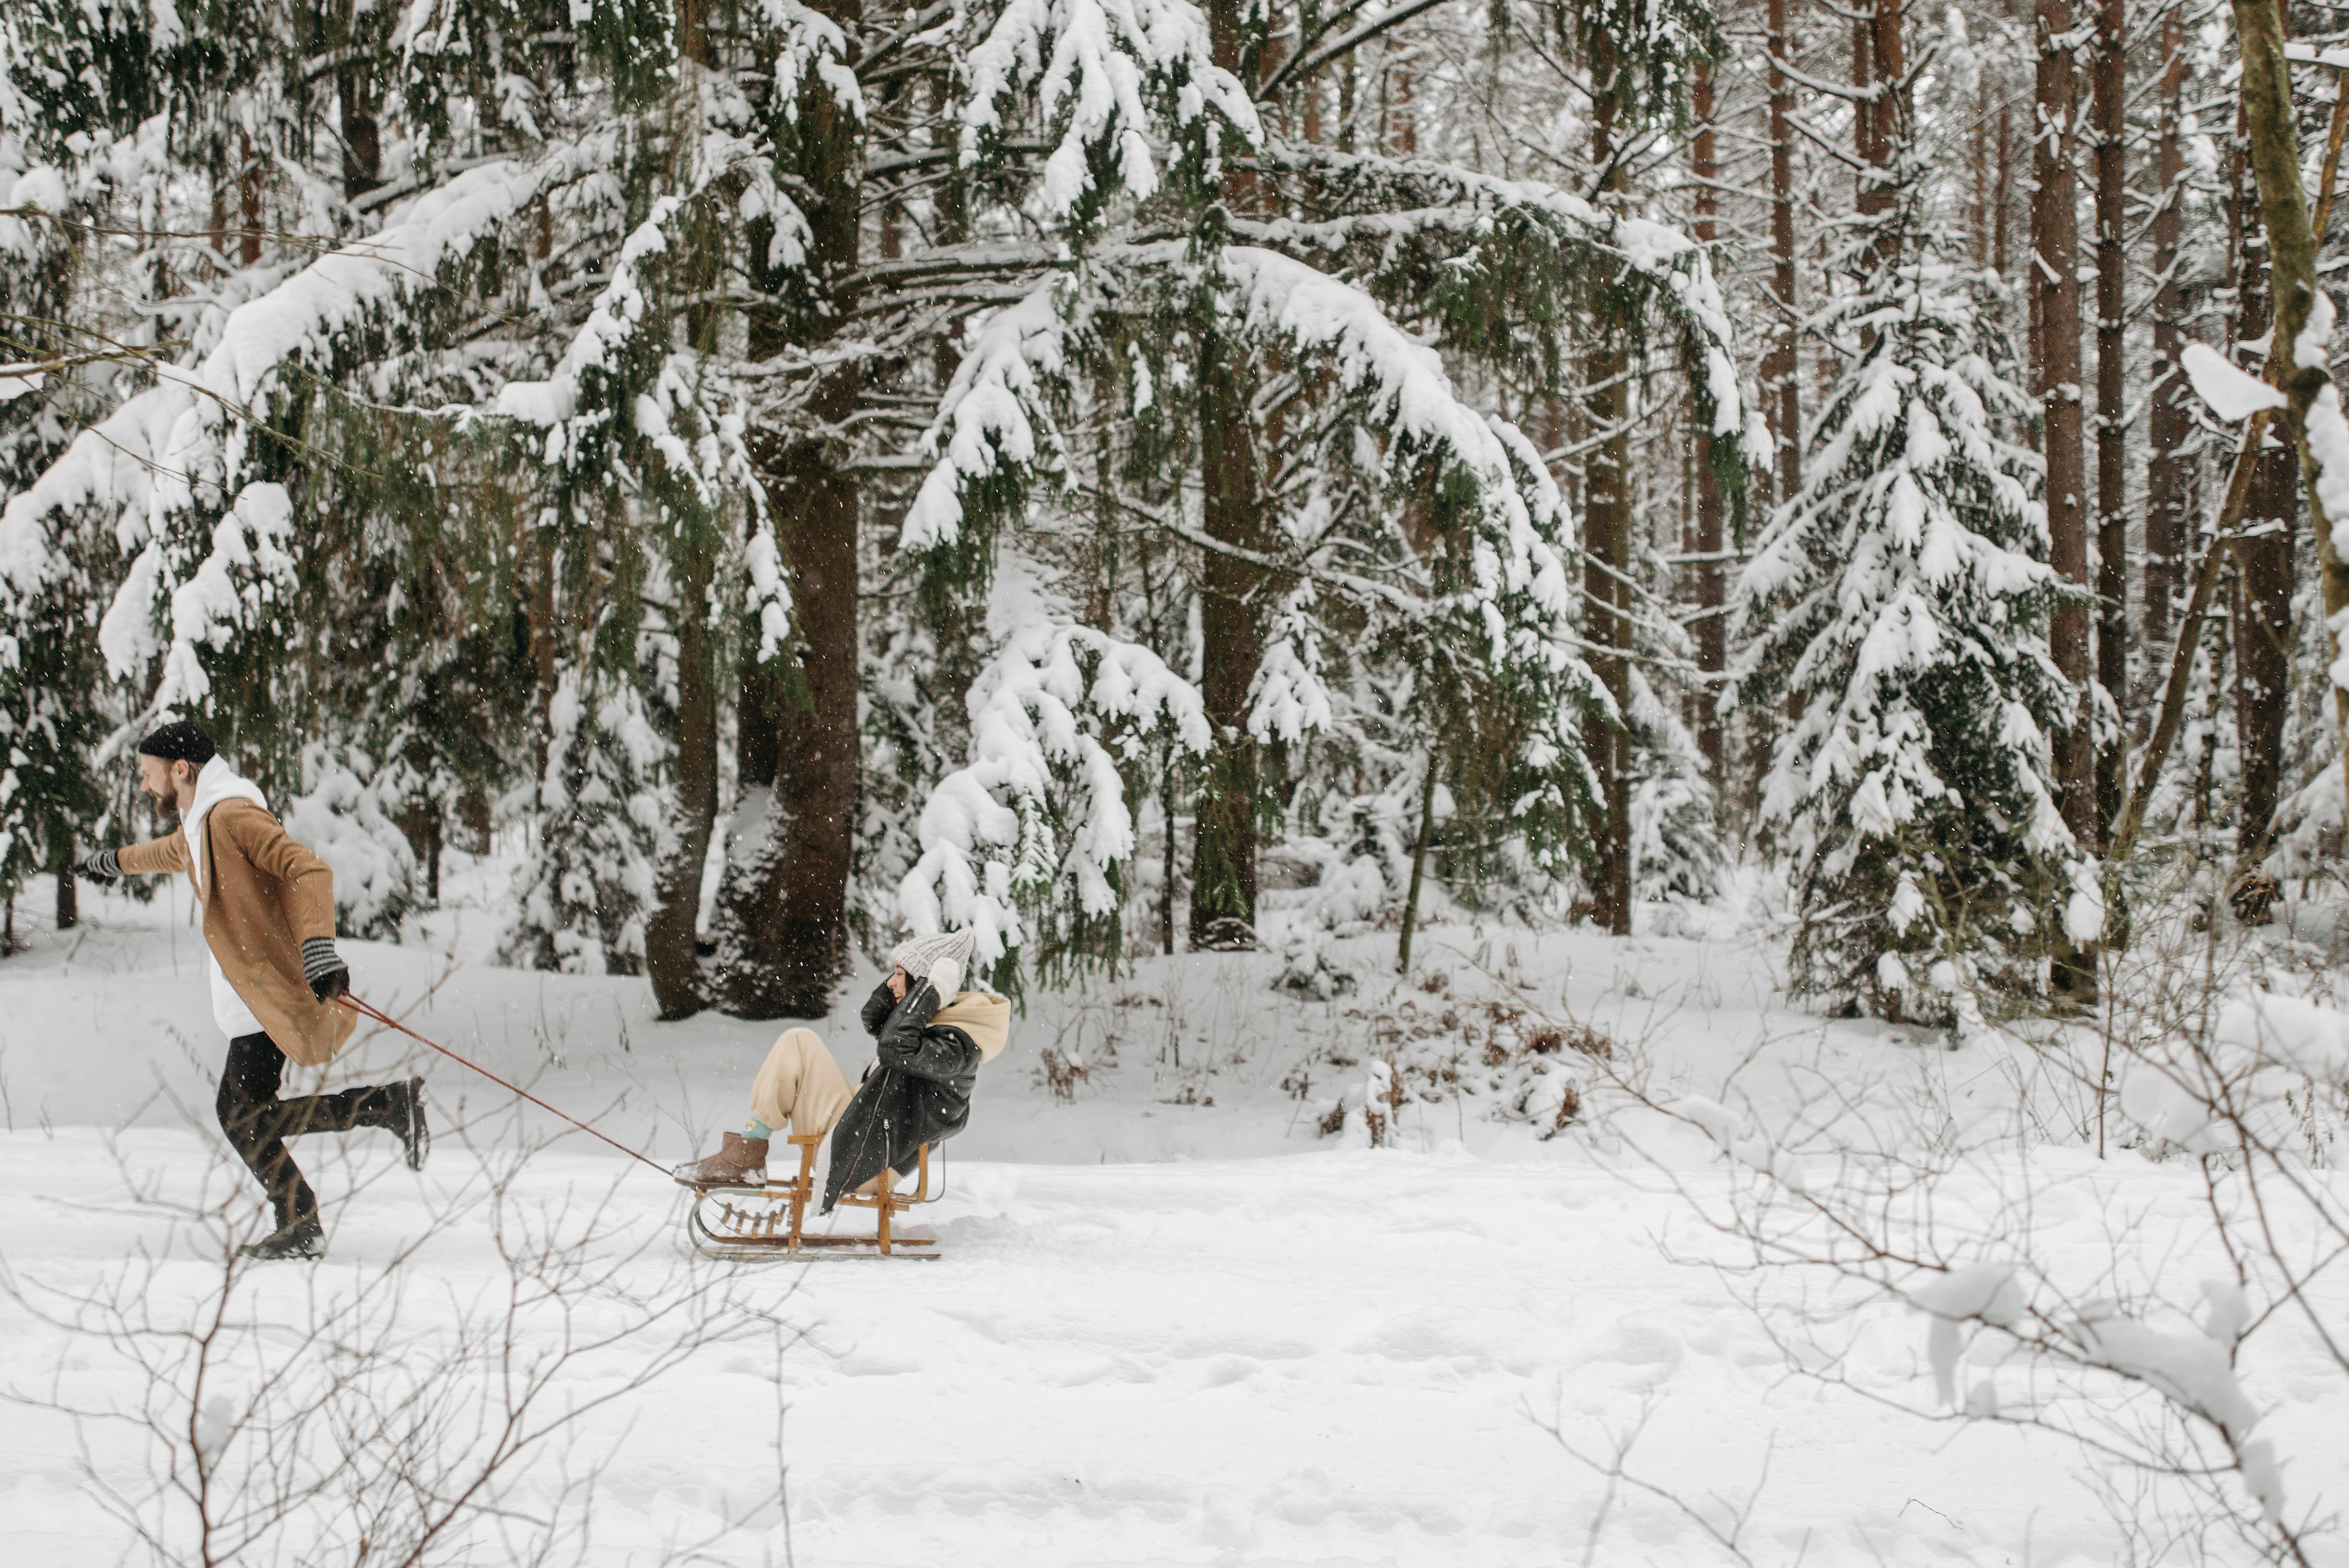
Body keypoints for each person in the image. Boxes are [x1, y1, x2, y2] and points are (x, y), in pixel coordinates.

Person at [79, 721, 427, 1260]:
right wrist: (115, 862)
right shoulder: (203, 821)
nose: (145, 787)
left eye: (149, 775)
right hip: (250, 995)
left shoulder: (232, 814)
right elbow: (173, 852)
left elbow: (307, 869)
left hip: (265, 993)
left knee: (239, 1114)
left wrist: (319, 949)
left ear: (181, 770)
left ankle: (313, 1201)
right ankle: (374, 1120)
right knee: (246, 1114)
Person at [672, 928, 1008, 1211]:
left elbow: (893, 1047)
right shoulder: (936, 1032)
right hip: (868, 1142)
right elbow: (875, 1021)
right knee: (799, 1043)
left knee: (799, 1042)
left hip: (873, 1162)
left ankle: (745, 1158)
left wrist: (928, 991)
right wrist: (912, 984)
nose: (891, 983)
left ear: (924, 987)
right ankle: (746, 1154)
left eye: (900, 976)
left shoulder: (955, 1046)